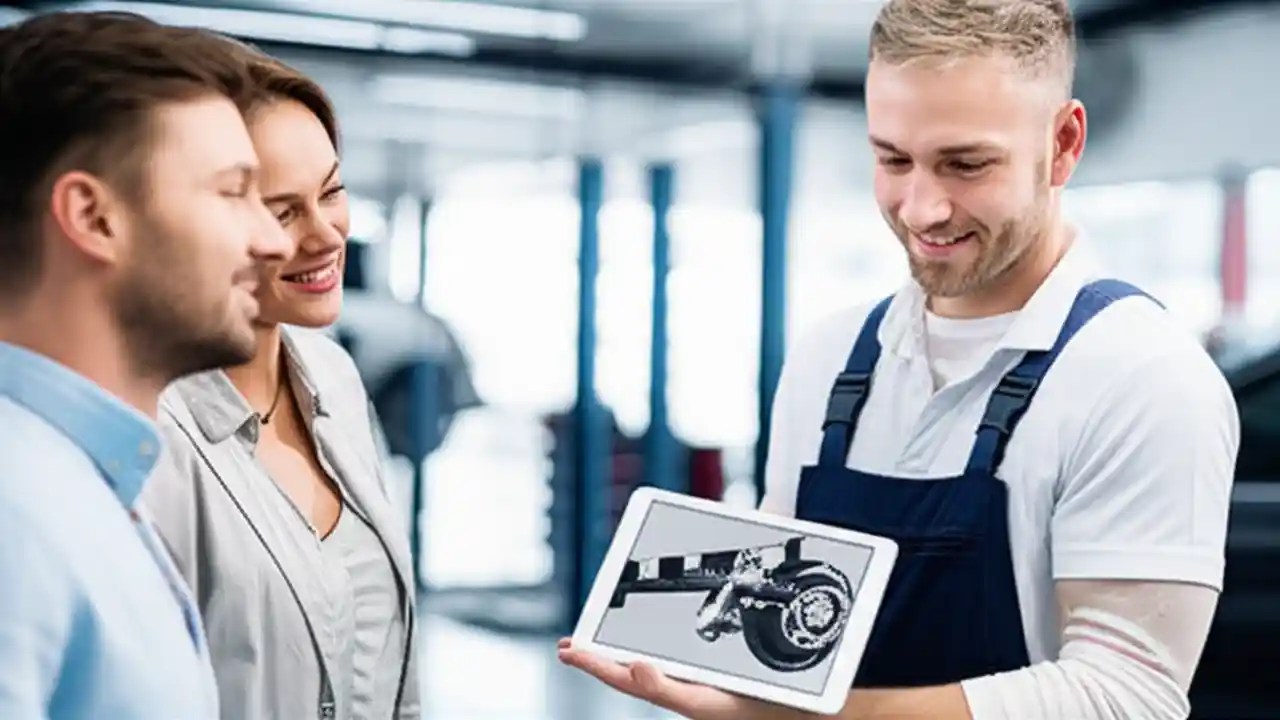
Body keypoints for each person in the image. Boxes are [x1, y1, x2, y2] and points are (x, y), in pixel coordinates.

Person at [559, 1, 1238, 719]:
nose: (920, 209)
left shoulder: (1143, 378)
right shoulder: (828, 359)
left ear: (1063, 143)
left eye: (965, 165)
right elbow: (784, 639)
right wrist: (718, 664)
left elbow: (1124, 698)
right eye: (893, 159)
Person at [0, 11, 292, 720]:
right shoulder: (16, 512)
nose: (275, 241)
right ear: (93, 217)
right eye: (233, 191)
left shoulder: (82, 484)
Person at [143, 44, 422, 720]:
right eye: (282, 210)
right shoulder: (149, 428)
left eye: (331, 192)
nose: (327, 235)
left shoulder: (332, 375)